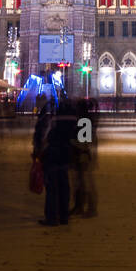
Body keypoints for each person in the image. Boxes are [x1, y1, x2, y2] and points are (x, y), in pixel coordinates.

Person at [33, 95, 73, 225]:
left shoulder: (48, 114)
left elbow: (41, 134)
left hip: (51, 153)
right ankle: (64, 216)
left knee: (51, 187)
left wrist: (37, 152)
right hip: (66, 153)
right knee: (64, 185)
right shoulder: (74, 114)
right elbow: (84, 134)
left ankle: (51, 217)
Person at [70, 97, 98, 217]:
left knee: (83, 181)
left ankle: (89, 208)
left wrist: (71, 142)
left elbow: (84, 140)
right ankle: (80, 206)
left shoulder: (84, 120)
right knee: (80, 181)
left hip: (82, 155)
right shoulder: (86, 119)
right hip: (83, 153)